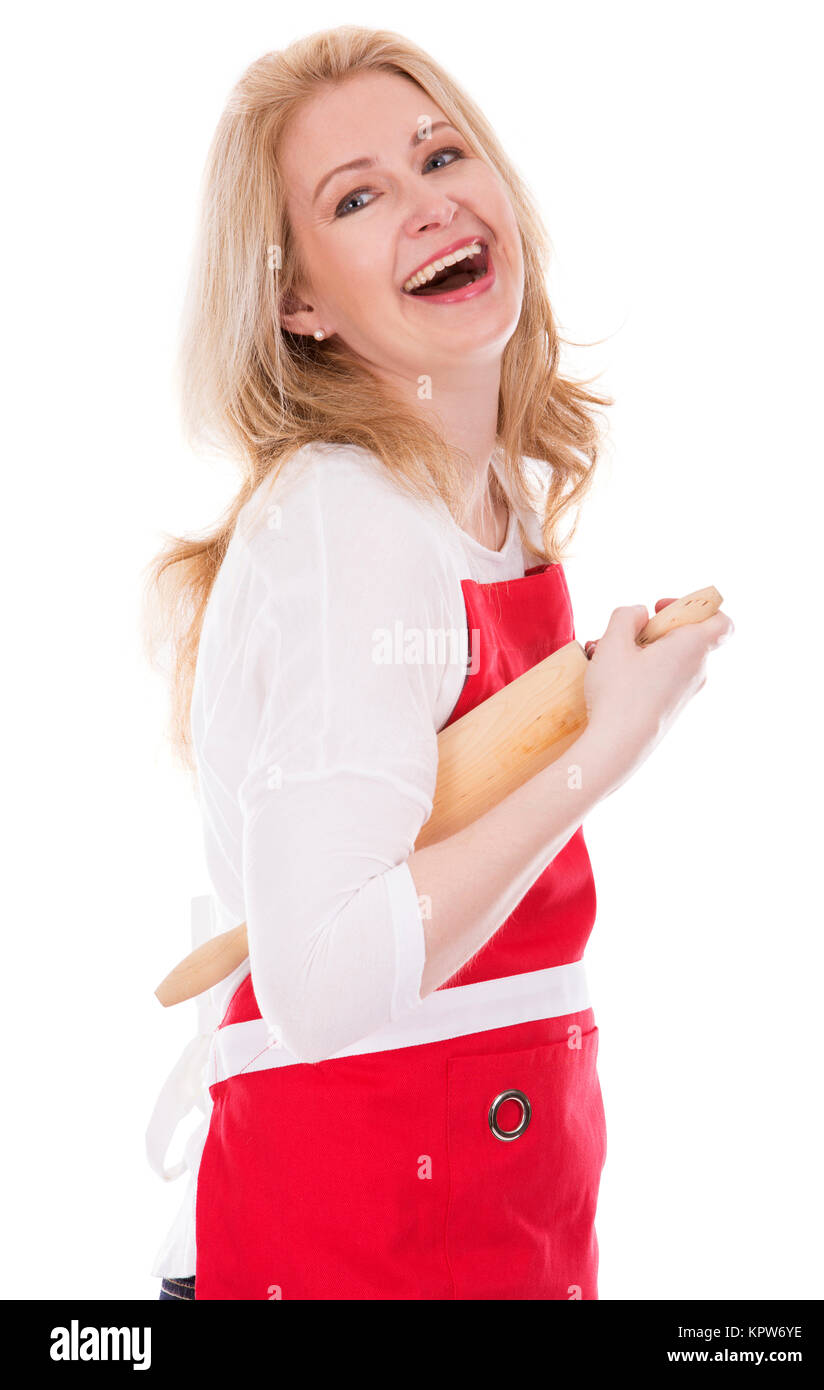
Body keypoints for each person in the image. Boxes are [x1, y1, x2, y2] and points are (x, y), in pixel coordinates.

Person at [143, 25, 733, 1301]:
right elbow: (321, 984)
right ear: (296, 304)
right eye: (357, 198)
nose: (430, 204)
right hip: (346, 1248)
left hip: (497, 1229)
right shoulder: (342, 523)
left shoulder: (491, 500)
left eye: (441, 153)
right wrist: (606, 749)